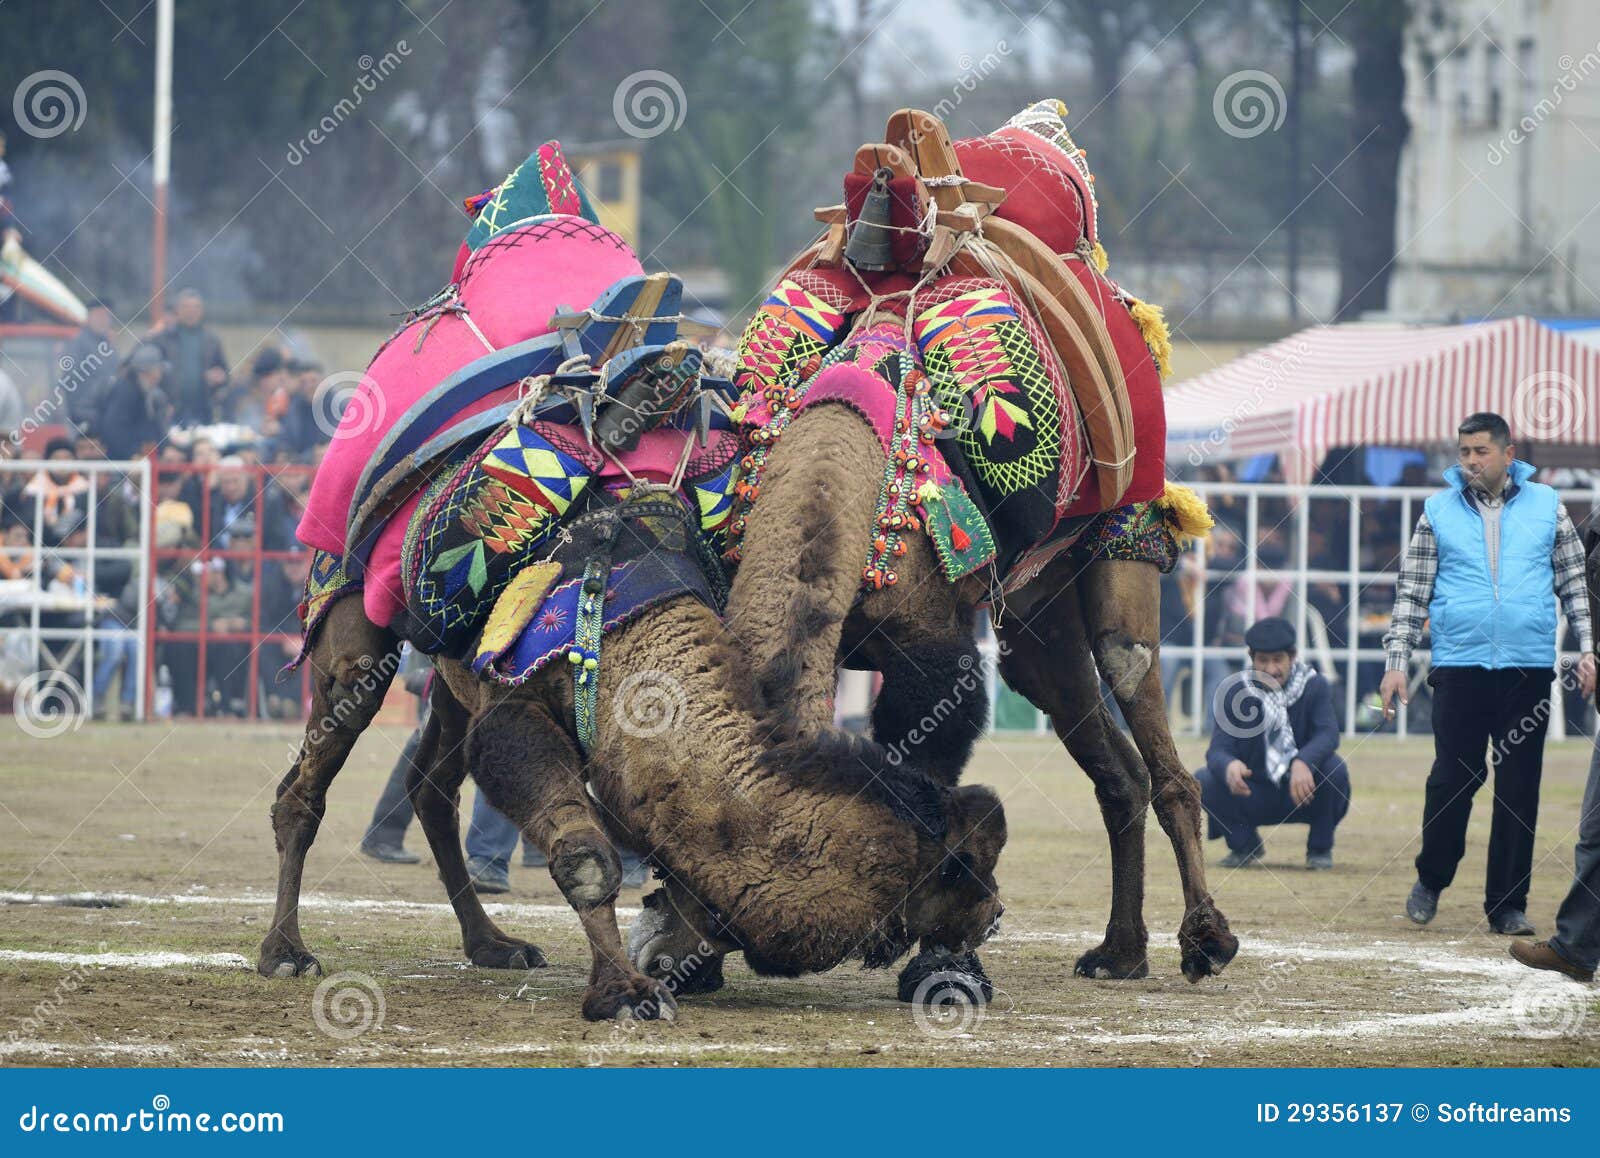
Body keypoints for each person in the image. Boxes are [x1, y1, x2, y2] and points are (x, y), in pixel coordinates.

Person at [1381, 413, 1596, 935]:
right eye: (1464, 452)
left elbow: (1575, 585)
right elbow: (1412, 592)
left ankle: (1507, 905)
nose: (1472, 461)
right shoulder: (1437, 511)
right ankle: (1431, 877)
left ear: (1507, 453)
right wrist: (1395, 663)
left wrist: (1590, 648)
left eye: (1480, 451)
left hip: (1527, 669)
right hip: (1458, 666)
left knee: (1520, 788)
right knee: (1452, 779)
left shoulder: (1549, 506)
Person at [1194, 616, 1350, 869]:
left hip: (1302, 791)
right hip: (1251, 791)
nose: (1270, 669)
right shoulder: (1234, 691)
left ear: (1292, 656)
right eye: (1262, 660)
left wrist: (1304, 761)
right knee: (1205, 779)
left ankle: (1320, 849)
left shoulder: (1315, 686)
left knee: (1335, 769)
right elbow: (1217, 750)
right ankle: (1244, 845)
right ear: (1251, 658)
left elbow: (1328, 734)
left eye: (1278, 660)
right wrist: (1229, 765)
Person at [152, 289, 228, 427]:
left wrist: (219, 377)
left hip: (202, 413)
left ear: (202, 311)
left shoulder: (212, 341)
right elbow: (148, 374)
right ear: (177, 310)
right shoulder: (162, 339)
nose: (191, 311)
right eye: (186, 307)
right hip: (171, 413)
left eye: (196, 307)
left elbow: (225, 373)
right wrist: (161, 402)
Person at [100, 344, 174, 460]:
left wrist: (166, 447)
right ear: (145, 371)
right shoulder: (125, 391)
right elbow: (114, 428)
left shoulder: (145, 391)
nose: (160, 375)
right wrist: (132, 453)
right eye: (158, 370)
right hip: (123, 462)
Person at [59, 302, 120, 435]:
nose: (104, 320)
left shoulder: (108, 345)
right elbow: (69, 380)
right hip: (84, 418)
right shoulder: (78, 343)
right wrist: (81, 413)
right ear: (89, 318)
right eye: (99, 316)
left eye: (107, 317)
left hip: (103, 415)